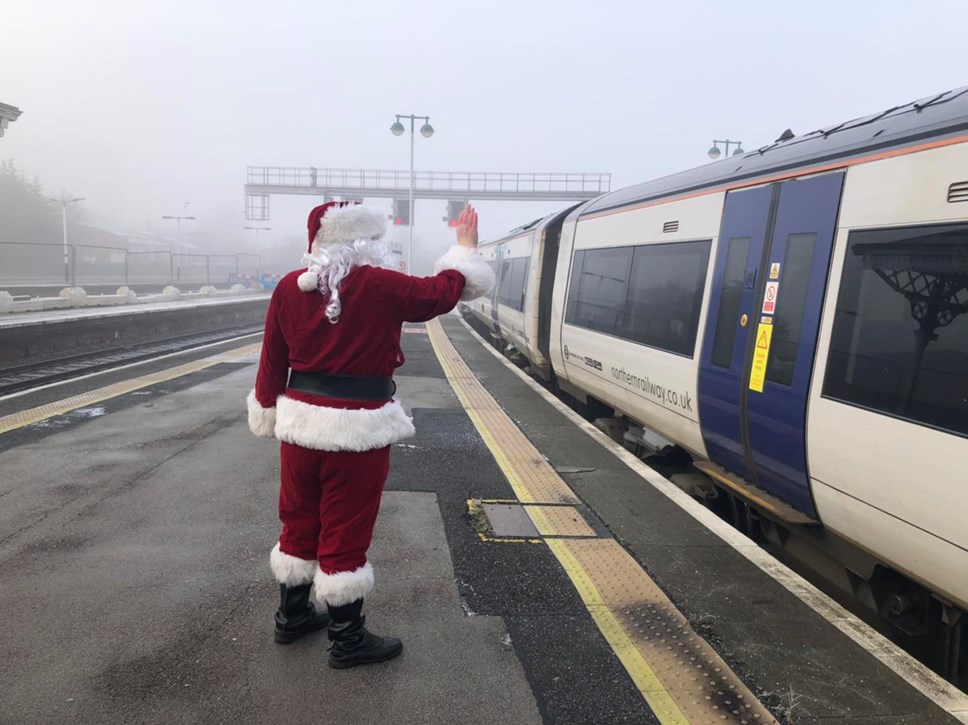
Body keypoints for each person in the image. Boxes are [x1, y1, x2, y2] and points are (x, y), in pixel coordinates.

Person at [246, 201, 493, 668]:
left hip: (299, 429)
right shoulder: (381, 285)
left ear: (315, 241)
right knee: (345, 526)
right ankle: (347, 638)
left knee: (299, 519)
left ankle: (292, 617)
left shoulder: (286, 288)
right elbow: (441, 293)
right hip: (357, 431)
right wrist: (463, 251)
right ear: (369, 242)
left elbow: (271, 359)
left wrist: (265, 407)